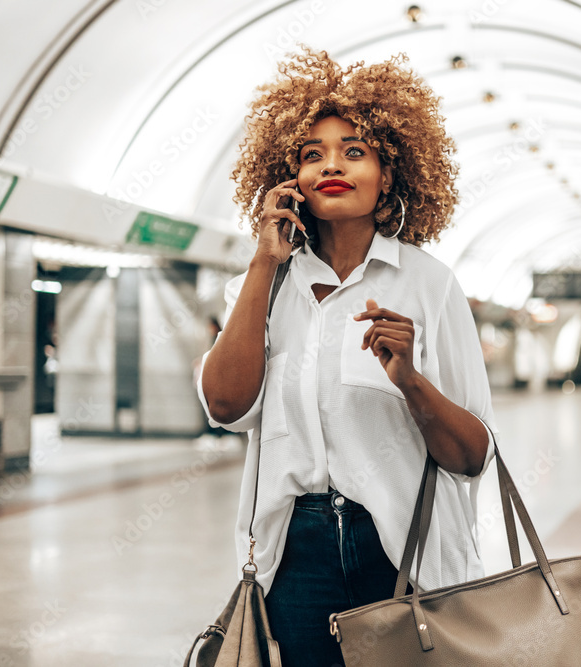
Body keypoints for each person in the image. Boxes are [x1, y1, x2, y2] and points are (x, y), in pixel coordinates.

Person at [196, 47, 499, 666]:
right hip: (293, 553)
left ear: (389, 174)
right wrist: (262, 262)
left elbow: (471, 456)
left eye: (354, 151)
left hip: (401, 553)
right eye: (312, 154)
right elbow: (225, 406)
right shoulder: (260, 286)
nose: (332, 165)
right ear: (290, 178)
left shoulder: (429, 284)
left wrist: (410, 380)